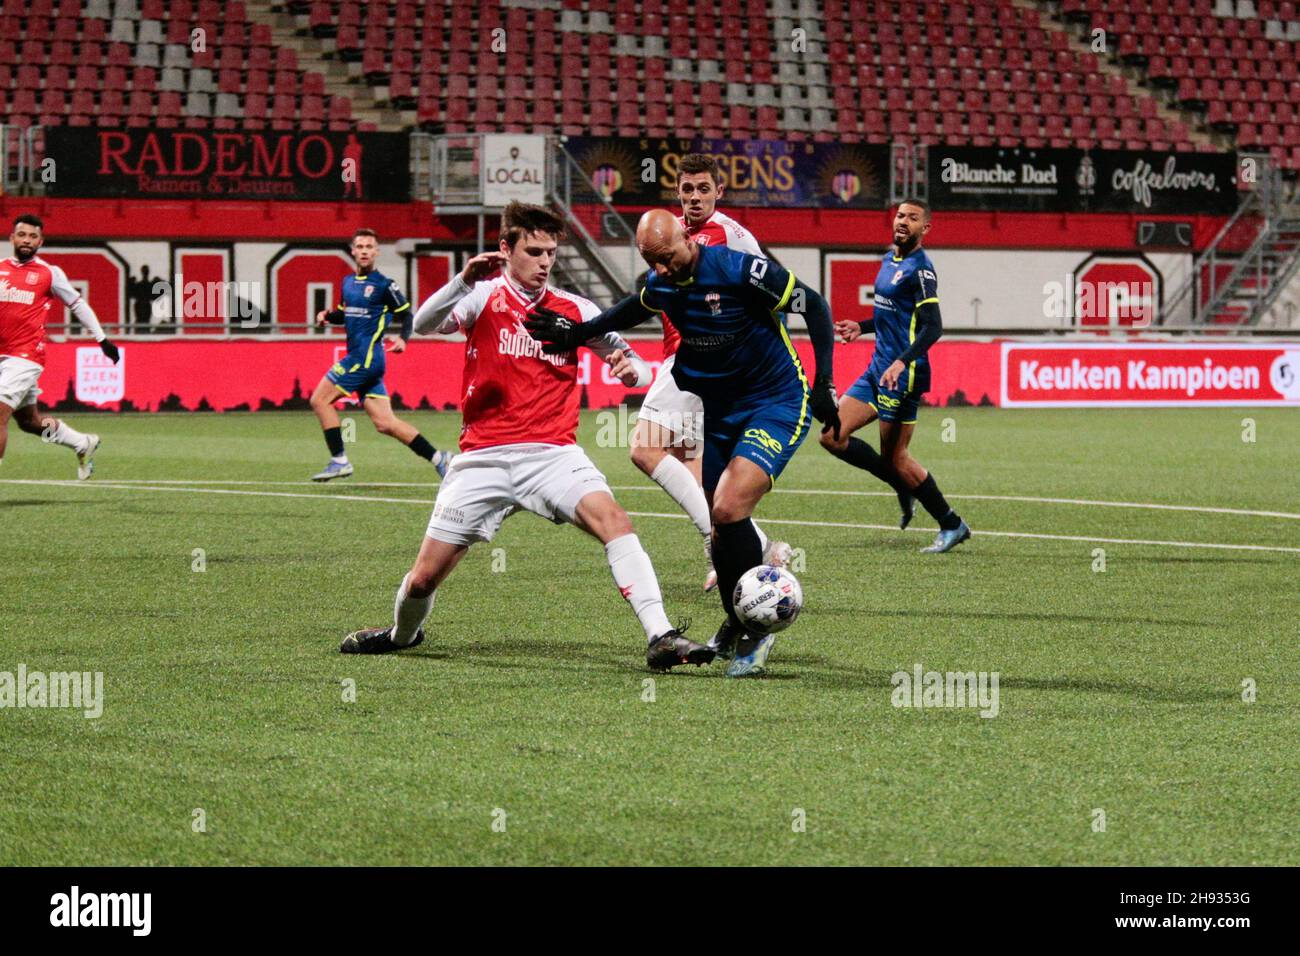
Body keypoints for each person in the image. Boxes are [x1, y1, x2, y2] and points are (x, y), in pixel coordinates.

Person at [338, 202, 713, 672]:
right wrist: (463, 280)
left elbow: (634, 366)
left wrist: (628, 369)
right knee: (422, 581)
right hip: (481, 460)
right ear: (504, 250)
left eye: (551, 252)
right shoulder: (483, 297)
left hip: (553, 454)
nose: (544, 262)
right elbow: (422, 325)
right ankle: (401, 635)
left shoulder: (575, 309)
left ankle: (661, 635)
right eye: (534, 251)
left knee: (615, 522)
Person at [526, 209, 840, 678]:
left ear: (686, 241)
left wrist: (825, 383)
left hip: (776, 399)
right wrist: (578, 334)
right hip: (719, 408)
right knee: (721, 522)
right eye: (653, 262)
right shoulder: (663, 281)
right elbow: (634, 306)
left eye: (668, 257)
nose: (663, 270)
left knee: (730, 506)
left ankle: (757, 635)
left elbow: (814, 305)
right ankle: (738, 619)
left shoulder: (738, 270)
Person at [631, 152, 791, 592]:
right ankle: (753, 546)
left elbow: (771, 291)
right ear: (678, 193)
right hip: (684, 358)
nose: (695, 198)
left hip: (699, 358)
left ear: (719, 192)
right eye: (688, 190)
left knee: (645, 450)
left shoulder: (728, 237)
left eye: (704, 189)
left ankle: (726, 542)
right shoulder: (675, 234)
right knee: (690, 463)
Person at [822, 199, 970, 553]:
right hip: (877, 369)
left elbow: (933, 327)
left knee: (896, 458)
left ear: (925, 228)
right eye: (901, 215)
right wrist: (861, 326)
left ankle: (952, 523)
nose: (904, 221)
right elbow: (895, 319)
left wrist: (902, 362)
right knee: (831, 436)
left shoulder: (922, 271)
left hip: (902, 376)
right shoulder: (891, 260)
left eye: (913, 218)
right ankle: (903, 486)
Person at [308, 228, 452, 482]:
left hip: (364, 359)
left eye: (369, 247)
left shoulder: (384, 285)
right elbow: (345, 312)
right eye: (360, 246)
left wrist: (403, 338)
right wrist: (327, 316)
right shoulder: (348, 282)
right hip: (365, 362)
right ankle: (440, 459)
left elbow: (407, 314)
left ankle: (340, 460)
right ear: (353, 251)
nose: (364, 251)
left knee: (319, 400)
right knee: (386, 423)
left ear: (376, 252)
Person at [0, 214, 119, 478]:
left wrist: (101, 338)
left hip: (25, 356)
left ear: (41, 241)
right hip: (2, 357)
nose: (27, 240)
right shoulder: (1, 268)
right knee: (30, 422)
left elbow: (77, 304)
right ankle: (81, 442)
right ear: (12, 238)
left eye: (33, 236)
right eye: (22, 235)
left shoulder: (49, 273)